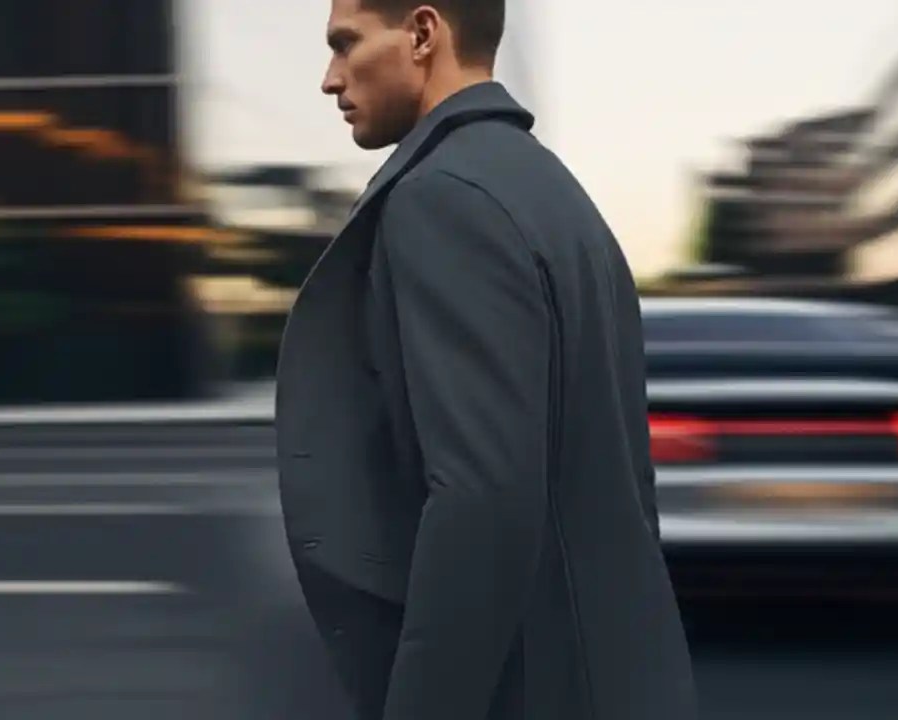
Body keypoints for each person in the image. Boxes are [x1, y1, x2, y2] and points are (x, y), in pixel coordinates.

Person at [274, 0, 700, 718]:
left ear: (420, 33)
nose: (329, 78)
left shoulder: (442, 201)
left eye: (346, 45)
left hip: (535, 687)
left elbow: (480, 501)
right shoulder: (557, 194)